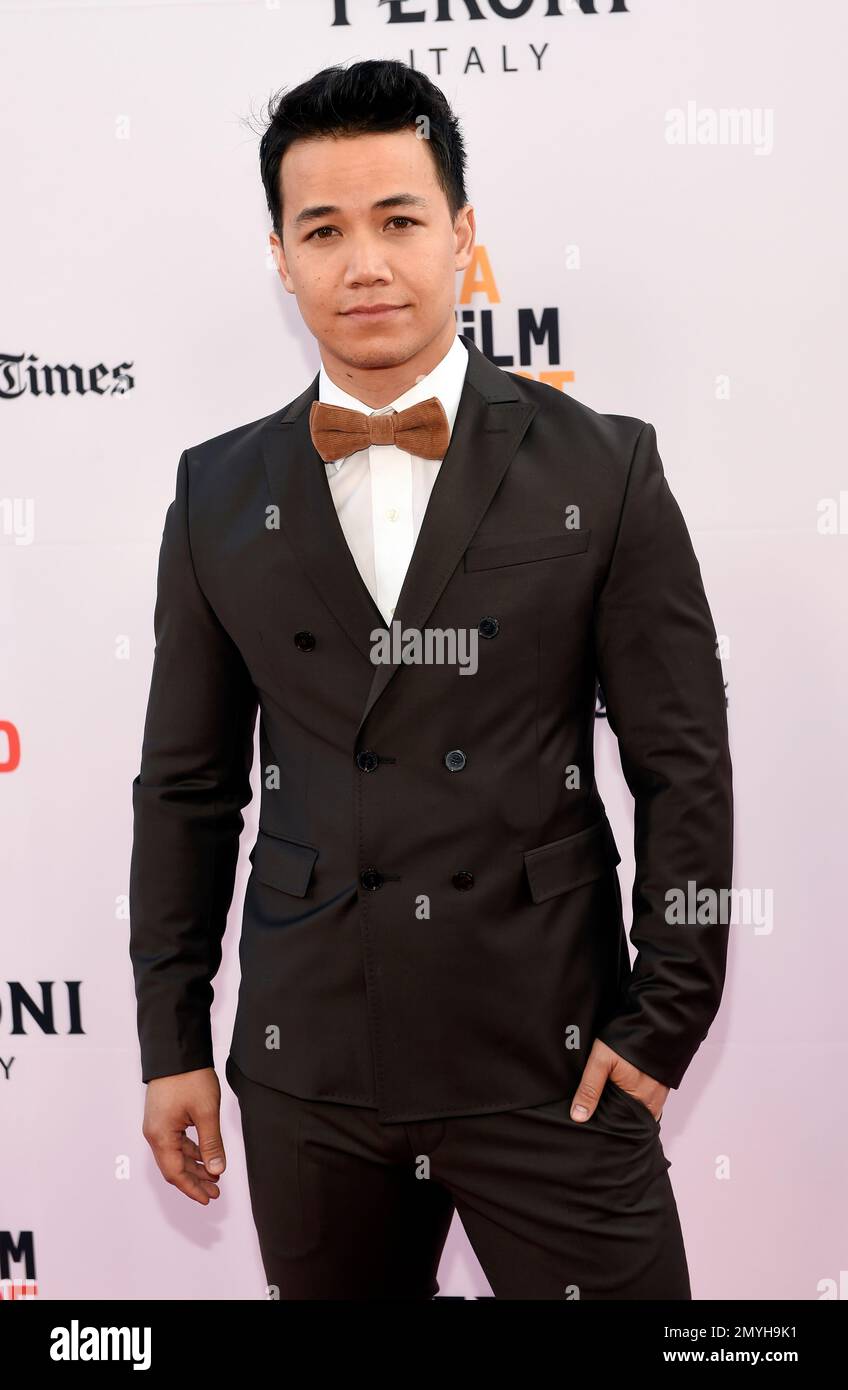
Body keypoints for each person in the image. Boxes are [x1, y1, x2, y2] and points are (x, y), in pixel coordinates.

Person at [129, 58, 733, 1300]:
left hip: (550, 1056)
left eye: (399, 220)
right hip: (312, 1074)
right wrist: (171, 1042)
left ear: (461, 236)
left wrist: (661, 1016)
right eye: (324, 230)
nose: (365, 262)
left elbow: (684, 765)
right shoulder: (213, 492)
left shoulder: (604, 467)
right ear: (281, 258)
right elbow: (186, 790)